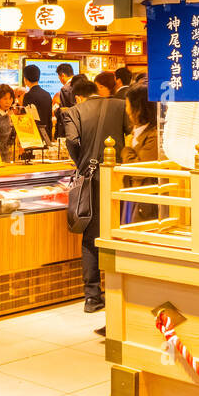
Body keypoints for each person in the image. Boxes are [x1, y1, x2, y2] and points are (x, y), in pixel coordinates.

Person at [62, 77, 132, 313]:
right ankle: (121, 290)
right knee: (122, 233)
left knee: (91, 237)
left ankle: (93, 296)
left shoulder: (73, 111)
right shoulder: (120, 105)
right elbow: (131, 133)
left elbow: (72, 139)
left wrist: (82, 163)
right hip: (121, 177)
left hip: (91, 180)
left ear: (79, 96)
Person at [122, 84, 160, 224]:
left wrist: (127, 148)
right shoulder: (137, 131)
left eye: (128, 105)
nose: (126, 110)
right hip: (134, 194)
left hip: (144, 199)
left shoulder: (154, 135)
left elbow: (138, 170)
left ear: (138, 108)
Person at [20, 64, 53, 140]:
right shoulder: (47, 94)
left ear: (25, 79)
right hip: (46, 135)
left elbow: (26, 118)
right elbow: (49, 118)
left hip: (34, 137)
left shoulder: (28, 95)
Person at [0, 84, 17, 161]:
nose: (8, 102)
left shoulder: (10, 114)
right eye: (5, 99)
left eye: (10, 98)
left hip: (6, 157)